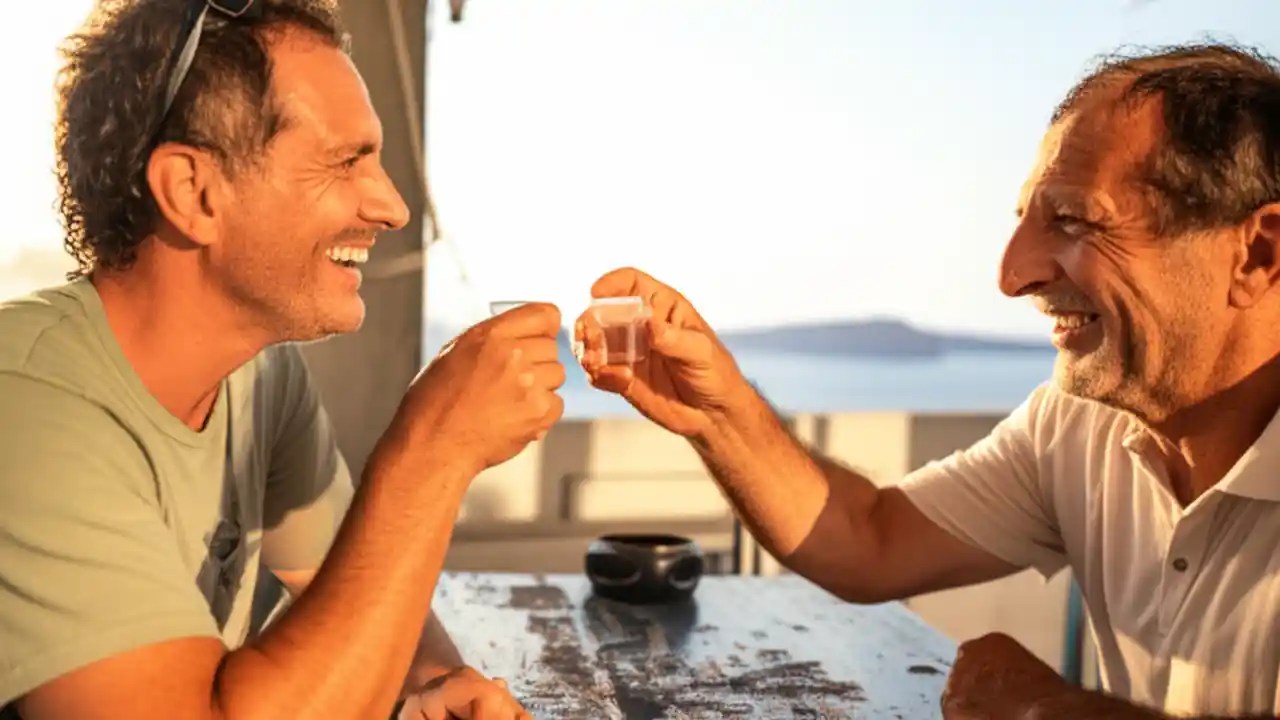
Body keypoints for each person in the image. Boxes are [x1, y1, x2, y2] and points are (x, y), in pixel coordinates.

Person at [578, 41, 1280, 719]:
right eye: (1026, 222)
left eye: (1071, 221)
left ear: (1257, 254)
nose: (1013, 276)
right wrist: (717, 410)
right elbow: (867, 539)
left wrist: (1045, 711)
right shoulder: (1079, 427)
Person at [0, 1, 565, 718]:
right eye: (345, 161)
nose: (392, 207)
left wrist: (429, 680)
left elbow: (350, 582)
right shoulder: (26, 408)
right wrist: (431, 448)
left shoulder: (260, 376)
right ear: (194, 192)